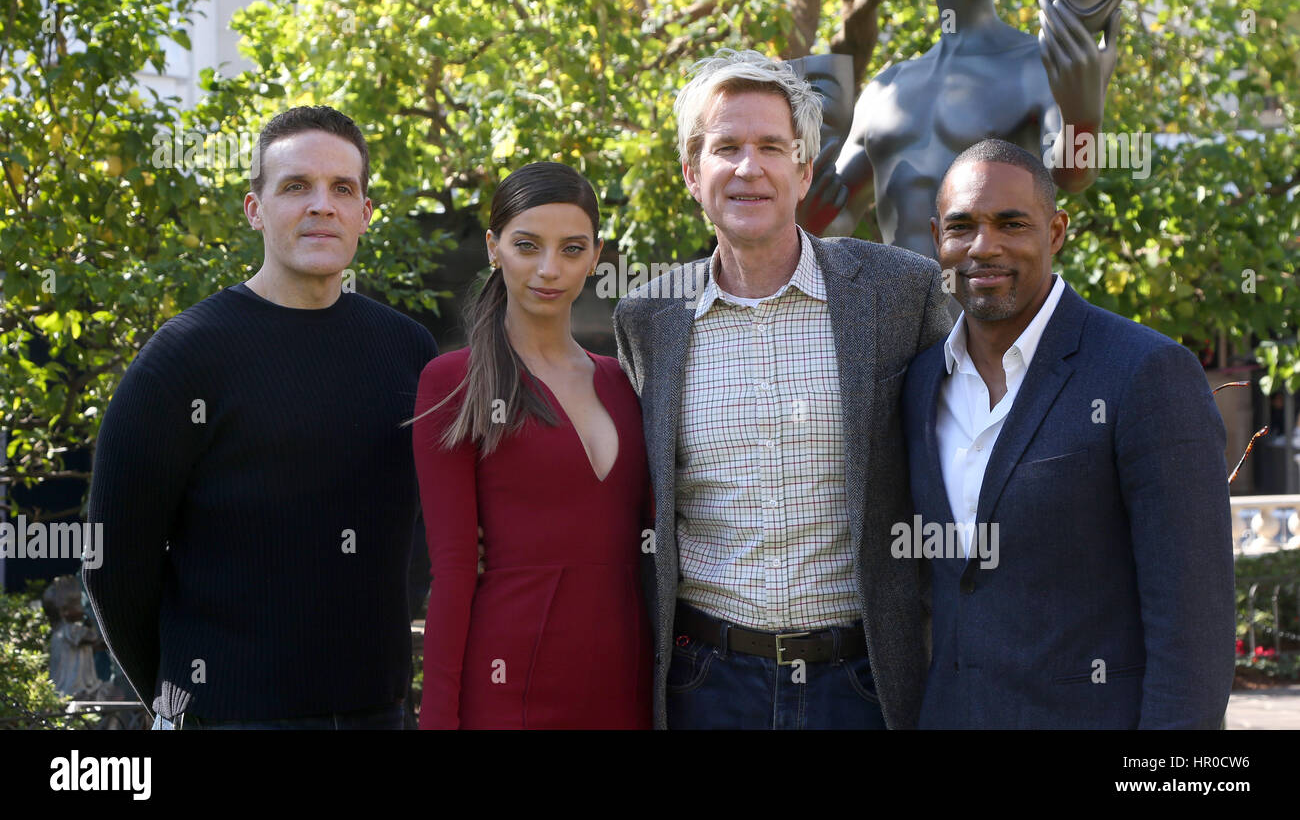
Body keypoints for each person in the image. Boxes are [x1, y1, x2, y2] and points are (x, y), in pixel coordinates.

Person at [613, 50, 951, 729]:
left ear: (803, 171)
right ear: (691, 172)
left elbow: (951, 463)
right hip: (705, 683)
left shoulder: (898, 291)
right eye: (725, 147)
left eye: (772, 146)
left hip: (862, 683)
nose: (748, 167)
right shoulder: (648, 320)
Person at [84, 105, 437, 730]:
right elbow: (115, 562)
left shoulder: (406, 350)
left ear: (364, 215)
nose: (322, 205)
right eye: (296, 186)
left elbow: (420, 527)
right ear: (255, 209)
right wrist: (178, 703)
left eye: (342, 189)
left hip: (377, 713)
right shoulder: (184, 357)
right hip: (227, 716)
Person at [902, 137, 1234, 728]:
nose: (985, 246)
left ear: (1055, 233)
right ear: (937, 239)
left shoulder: (1145, 372)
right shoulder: (920, 381)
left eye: (1011, 223)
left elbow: (1194, 621)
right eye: (962, 227)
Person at [413, 161, 652, 729]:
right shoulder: (455, 382)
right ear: (495, 247)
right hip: (508, 688)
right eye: (527, 245)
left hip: (627, 683)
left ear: (596, 256)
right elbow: (449, 575)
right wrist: (438, 721)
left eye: (572, 249)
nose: (550, 270)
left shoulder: (626, 381)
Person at [802, 0, 1123, 253]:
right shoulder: (885, 90)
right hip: (899, 310)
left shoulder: (1039, 64)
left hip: (997, 309)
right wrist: (803, 210)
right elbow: (838, 217)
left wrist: (1084, 119)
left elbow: (1074, 175)